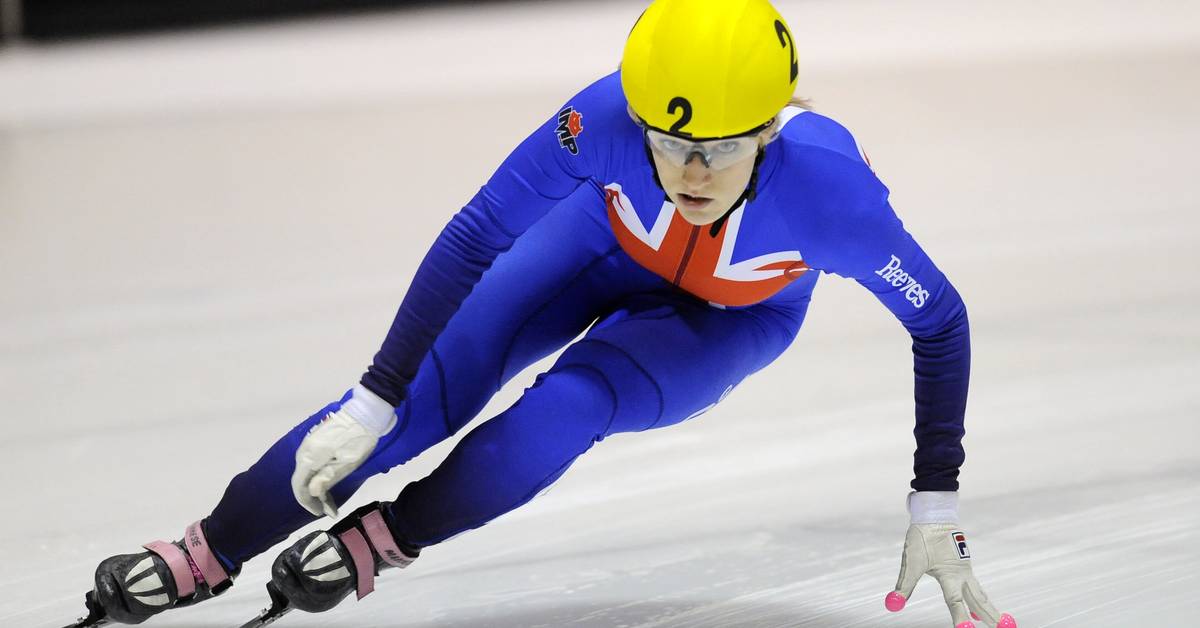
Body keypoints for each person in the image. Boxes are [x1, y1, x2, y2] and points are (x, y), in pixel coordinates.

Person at [76, 1, 1017, 627]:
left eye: (721, 149)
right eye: (669, 141)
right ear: (638, 114)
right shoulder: (600, 118)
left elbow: (940, 321)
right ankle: (208, 549)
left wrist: (937, 495)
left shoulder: (832, 198)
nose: (692, 173)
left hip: (730, 316)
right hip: (597, 243)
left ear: (769, 130)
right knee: (423, 394)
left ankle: (389, 537)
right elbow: (474, 235)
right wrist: (373, 393)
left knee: (568, 407)